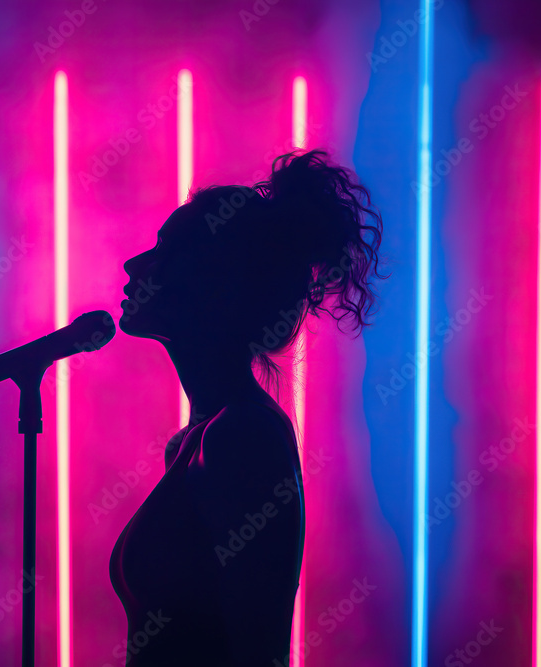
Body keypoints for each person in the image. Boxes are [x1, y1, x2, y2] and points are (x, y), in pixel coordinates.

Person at [109, 149, 384, 666]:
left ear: (212, 284)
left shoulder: (242, 437)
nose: (133, 264)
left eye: (165, 251)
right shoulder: (198, 439)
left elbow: (258, 650)